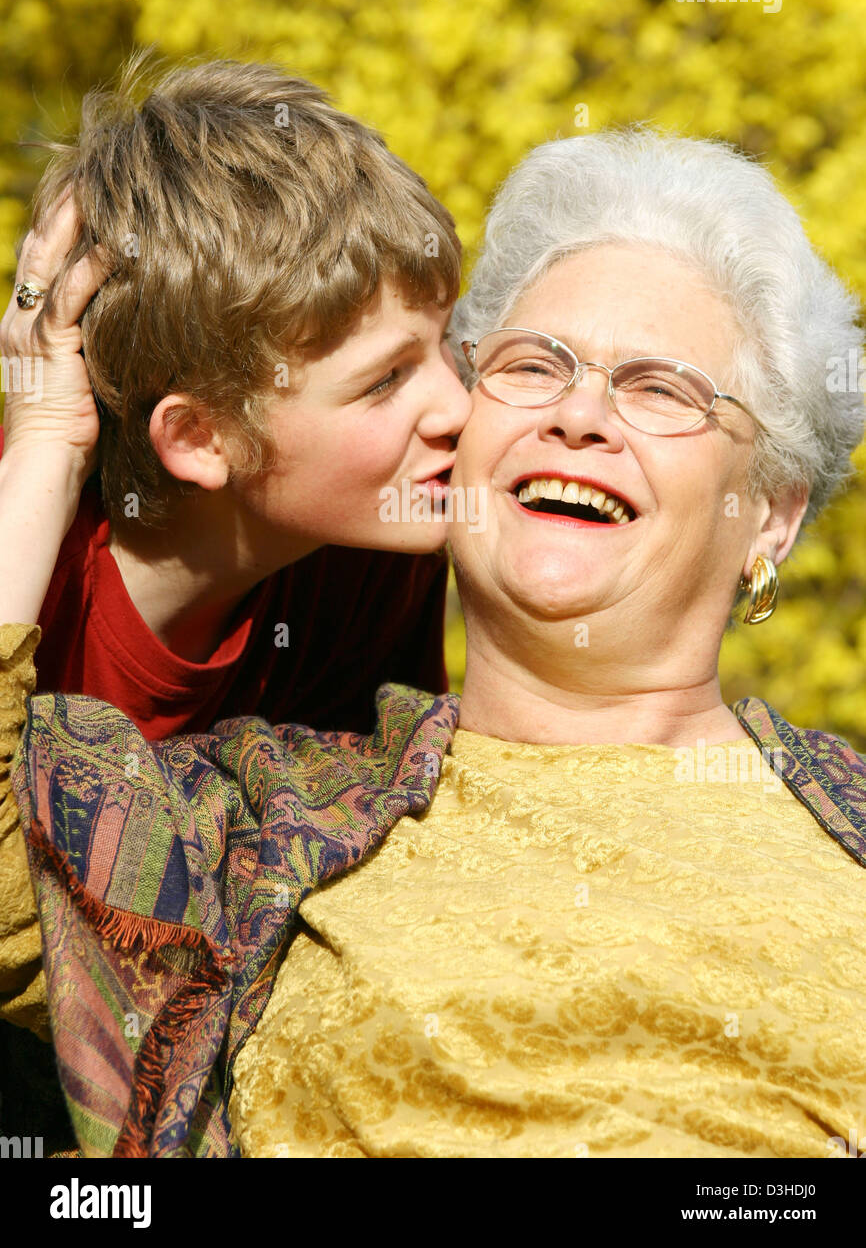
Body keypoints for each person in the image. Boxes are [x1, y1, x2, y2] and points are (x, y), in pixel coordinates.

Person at [3, 128, 866, 1158]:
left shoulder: (840, 823)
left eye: (659, 387)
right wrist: (48, 442)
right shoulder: (259, 810)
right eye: (532, 365)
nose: (579, 413)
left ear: (768, 513)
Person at [0, 57, 471, 741]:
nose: (458, 407)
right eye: (385, 380)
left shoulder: (375, 554)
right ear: (199, 438)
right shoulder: (30, 550)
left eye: (447, 341)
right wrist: (40, 438)